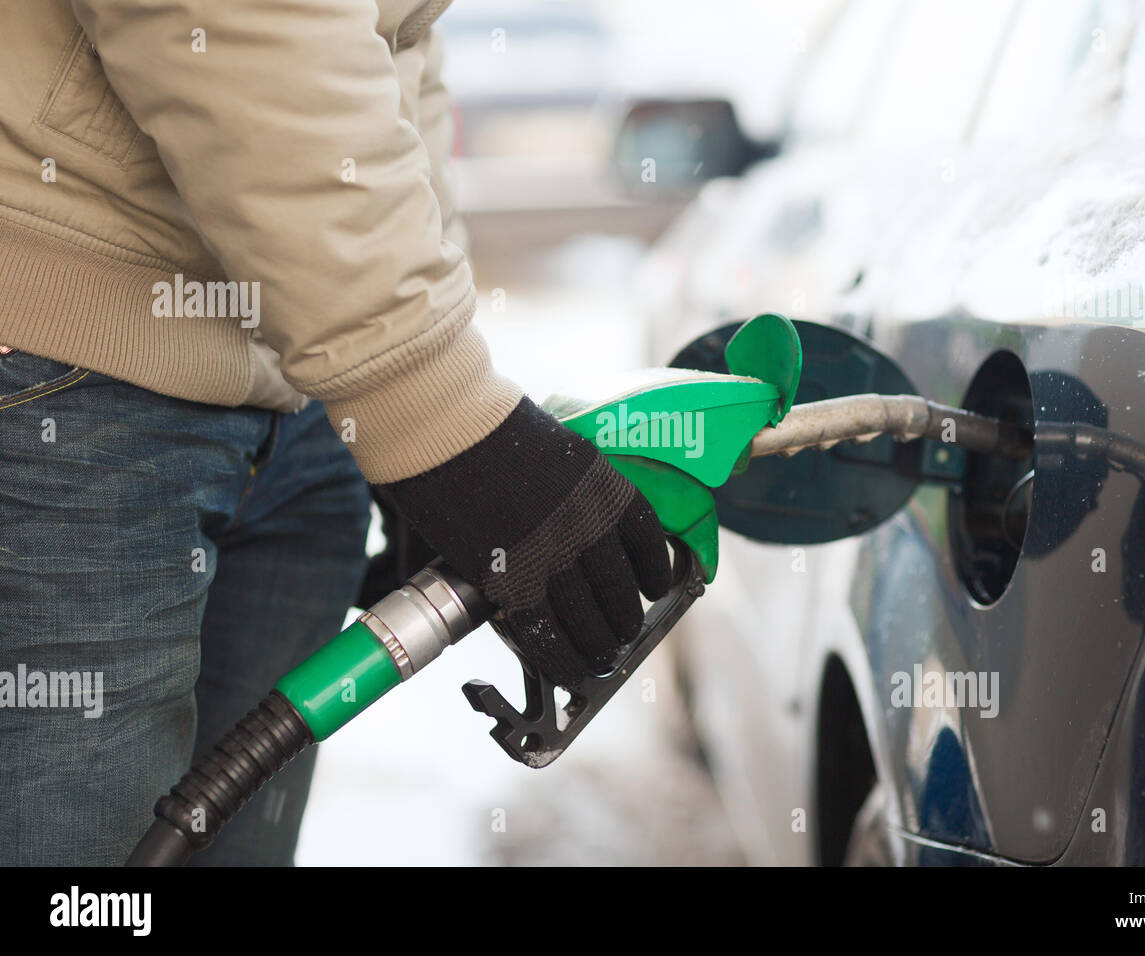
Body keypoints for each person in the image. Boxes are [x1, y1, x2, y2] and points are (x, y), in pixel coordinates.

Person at [0, 0, 670, 866]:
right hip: (75, 379)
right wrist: (434, 408)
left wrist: (400, 403)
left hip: (302, 396)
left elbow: (397, 45)